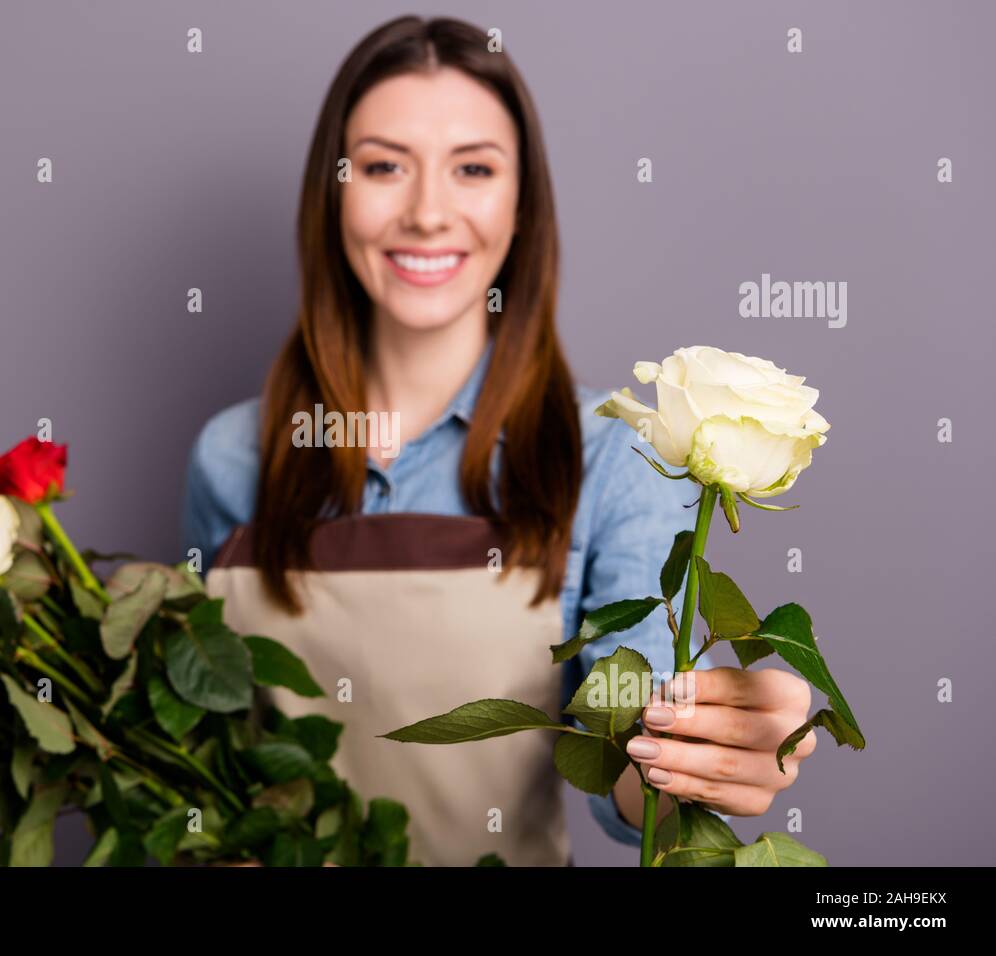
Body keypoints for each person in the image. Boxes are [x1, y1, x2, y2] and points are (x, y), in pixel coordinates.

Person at [181, 15, 815, 866]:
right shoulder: (231, 457)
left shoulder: (612, 459)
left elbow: (622, 741)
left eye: (473, 168)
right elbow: (206, 741)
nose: (427, 211)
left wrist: (700, 754)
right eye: (381, 167)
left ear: (522, 207)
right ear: (333, 192)